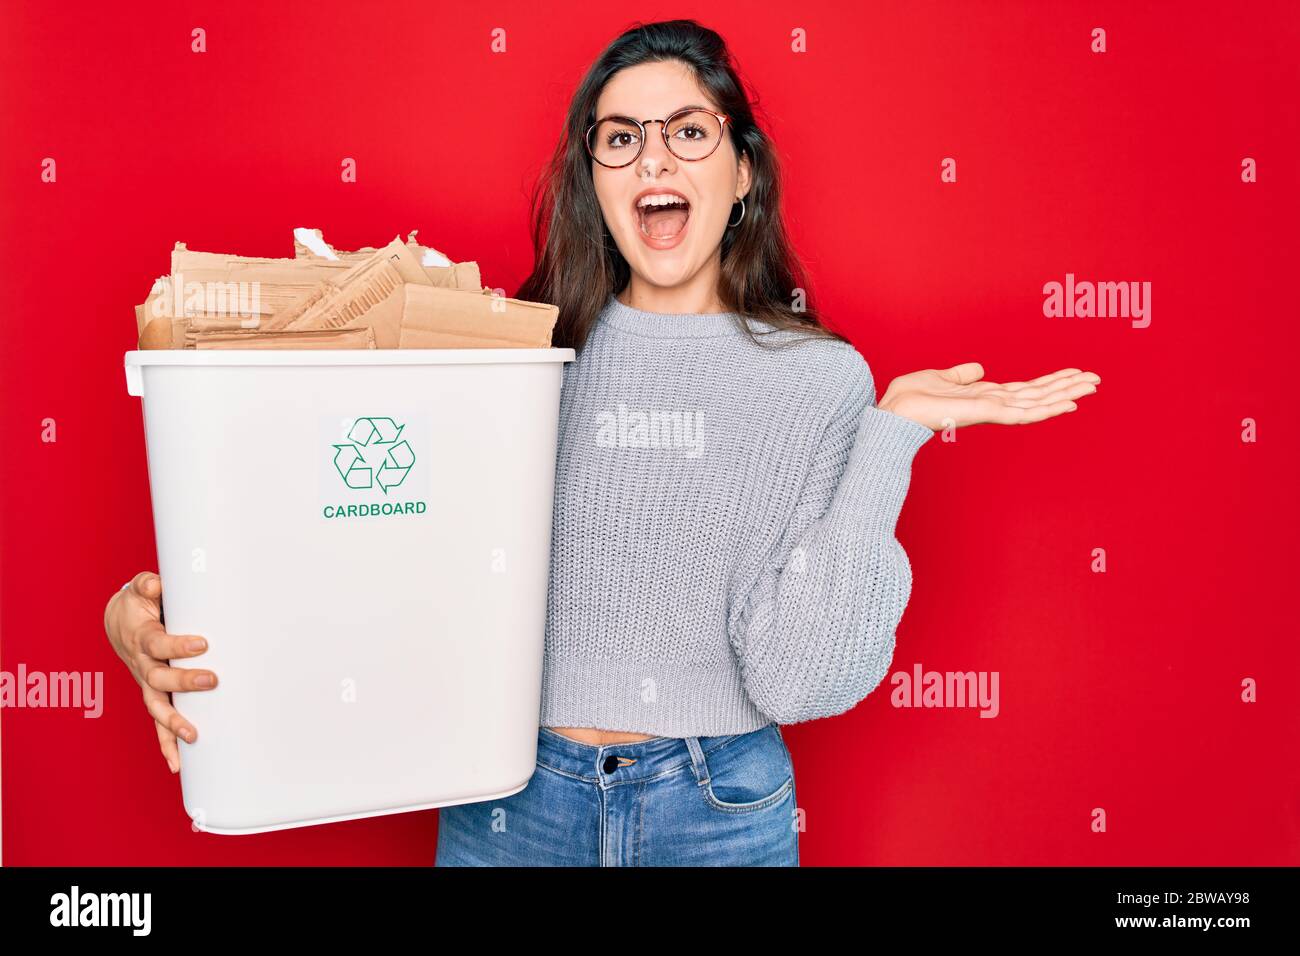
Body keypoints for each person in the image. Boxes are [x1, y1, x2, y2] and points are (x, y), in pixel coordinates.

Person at [103, 19, 1099, 866]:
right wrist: (141, 611)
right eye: (618, 138)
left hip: (717, 810)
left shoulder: (819, 380)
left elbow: (798, 677)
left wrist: (888, 440)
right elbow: (360, 538)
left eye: (687, 132)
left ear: (743, 168)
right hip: (507, 797)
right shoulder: (510, 351)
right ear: (591, 175)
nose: (653, 158)